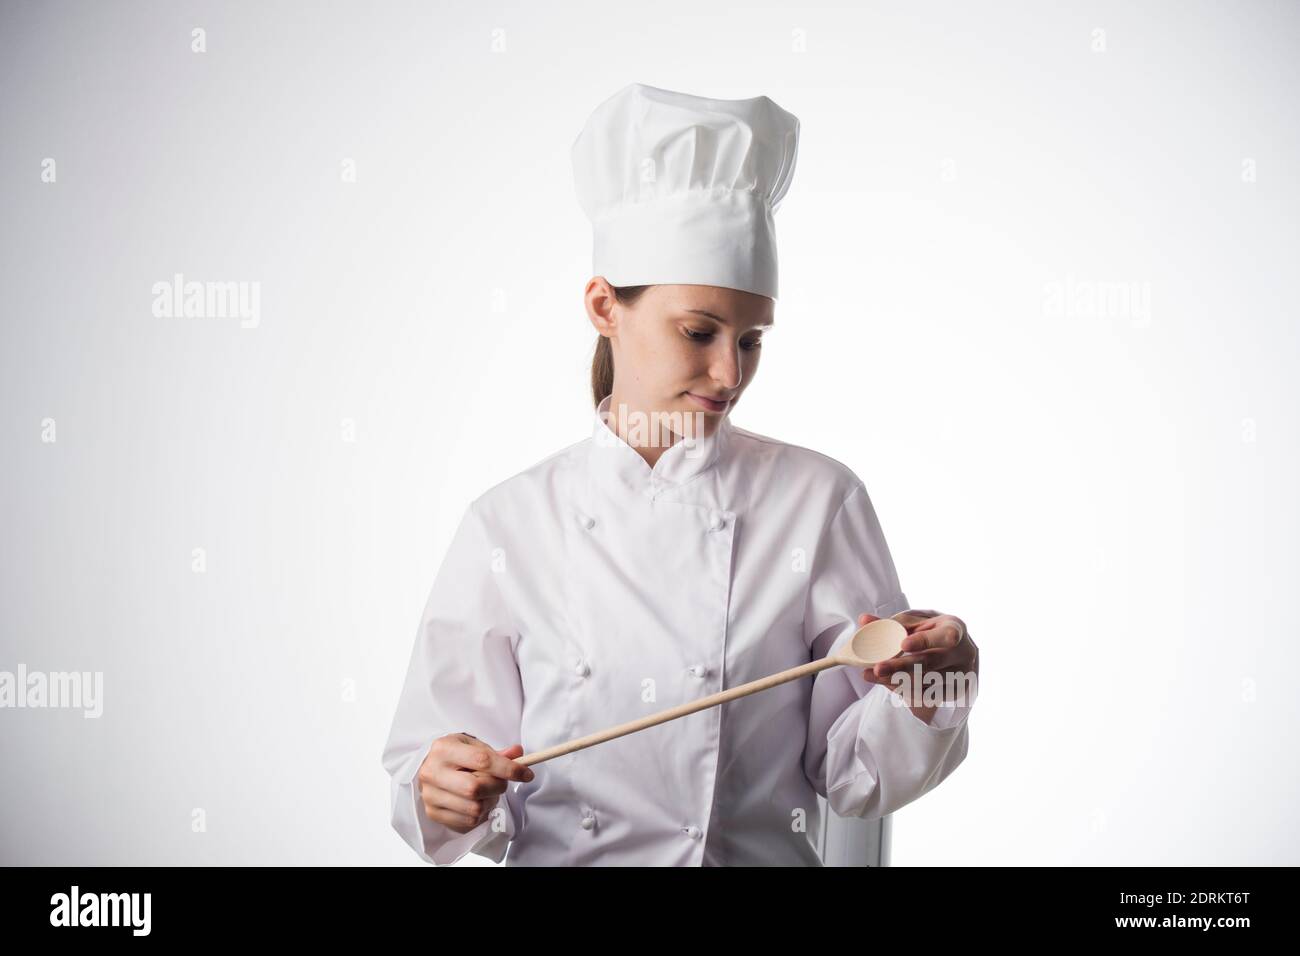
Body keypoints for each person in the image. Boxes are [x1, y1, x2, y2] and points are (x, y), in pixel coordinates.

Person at [381, 82, 980, 866]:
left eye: (752, 339)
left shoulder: (818, 501)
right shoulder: (508, 524)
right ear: (605, 306)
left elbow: (855, 778)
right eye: (699, 331)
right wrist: (443, 786)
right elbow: (435, 775)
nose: (730, 374)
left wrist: (936, 687)